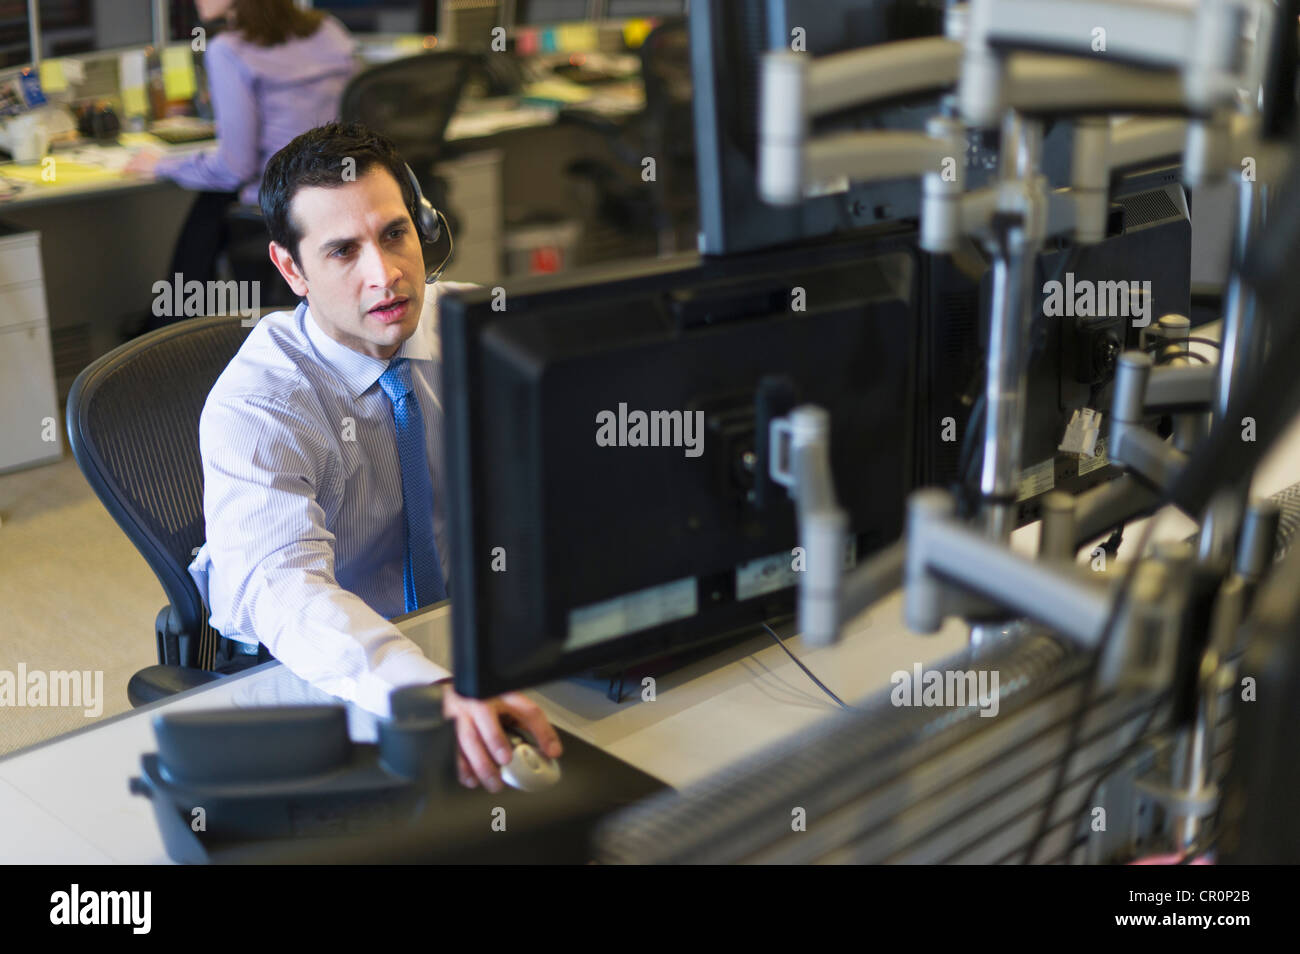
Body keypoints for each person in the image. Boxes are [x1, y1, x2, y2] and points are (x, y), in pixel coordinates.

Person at [187, 122, 562, 793]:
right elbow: (284, 588)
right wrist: (426, 691)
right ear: (291, 269)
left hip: (468, 633)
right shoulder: (258, 403)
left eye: (395, 234)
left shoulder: (476, 329)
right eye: (342, 252)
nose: (384, 275)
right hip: (329, 666)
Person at [124, 0, 357, 329]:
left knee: (210, 210)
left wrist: (163, 165)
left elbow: (235, 167)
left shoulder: (227, 50)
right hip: (341, 194)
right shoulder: (328, 29)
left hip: (282, 205)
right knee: (209, 210)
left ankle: (169, 331)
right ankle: (167, 325)